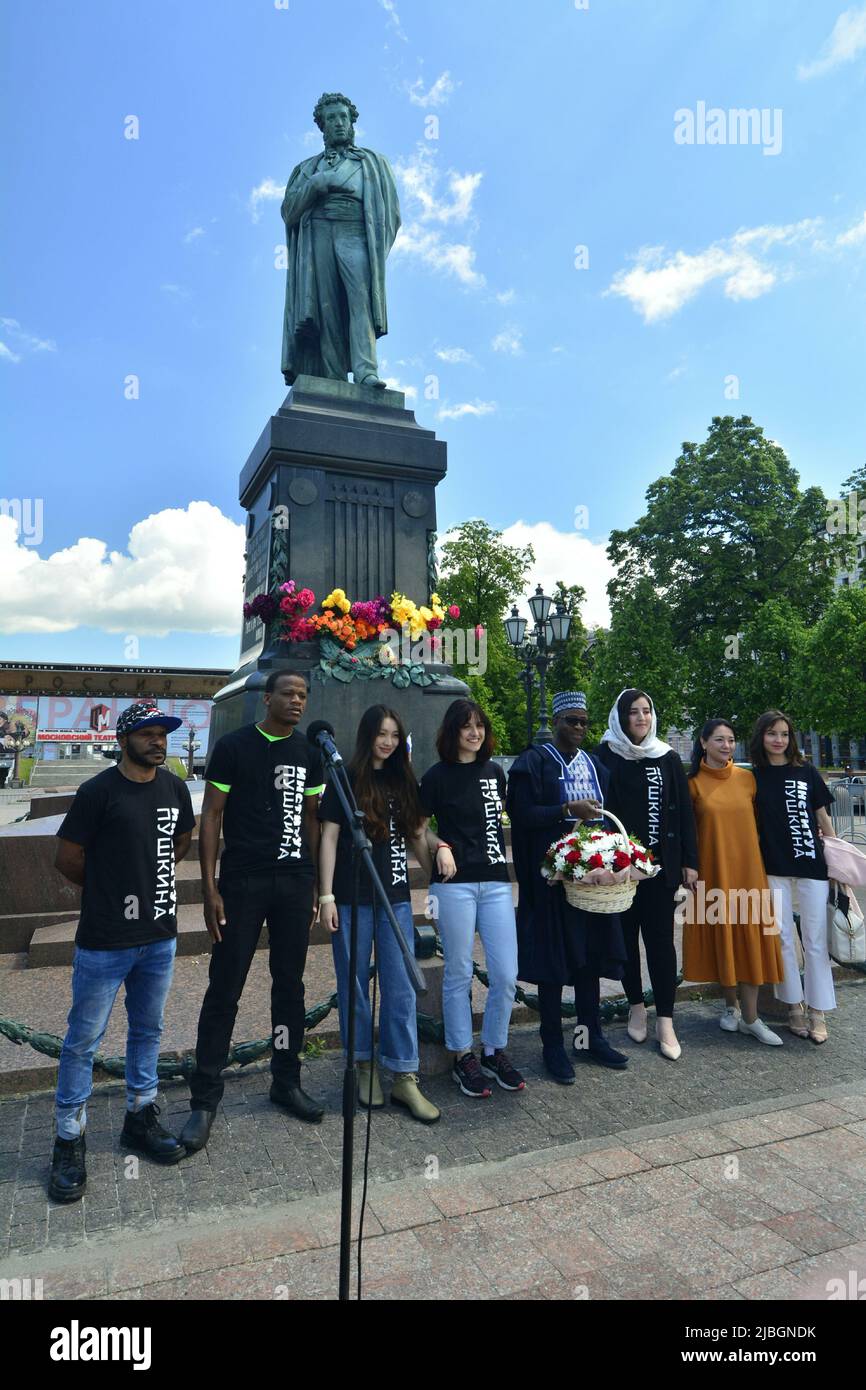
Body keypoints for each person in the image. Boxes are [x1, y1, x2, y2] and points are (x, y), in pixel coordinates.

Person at [50, 703, 195, 1202]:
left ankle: (140, 1115)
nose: (159, 741)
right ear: (124, 738)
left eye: (164, 734)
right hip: (105, 941)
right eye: (148, 734)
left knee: (148, 1029)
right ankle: (69, 1138)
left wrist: (144, 880)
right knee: (83, 1041)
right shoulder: (97, 792)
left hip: (159, 936)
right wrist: (110, 887)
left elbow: (181, 839)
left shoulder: (175, 787)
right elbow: (67, 858)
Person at [181, 671, 326, 1152]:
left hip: (292, 883)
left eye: (303, 695)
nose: (296, 702)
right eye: (288, 693)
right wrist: (210, 888)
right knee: (226, 986)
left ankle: (286, 1080)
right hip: (243, 881)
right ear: (266, 699)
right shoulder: (235, 746)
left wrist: (311, 885)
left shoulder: (309, 752)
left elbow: (309, 820)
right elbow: (213, 816)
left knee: (290, 988)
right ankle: (204, 1098)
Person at [318, 705, 439, 1123]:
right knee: (353, 985)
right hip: (351, 898)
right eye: (381, 734)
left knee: (401, 988)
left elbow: (418, 836)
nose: (387, 741)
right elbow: (329, 838)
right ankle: (364, 1065)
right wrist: (327, 896)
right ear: (367, 735)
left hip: (395, 898)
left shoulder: (404, 779)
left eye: (394, 734)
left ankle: (404, 1075)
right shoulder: (345, 778)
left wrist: (436, 872)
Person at [506, 691, 629, 1082]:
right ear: (556, 721)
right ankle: (552, 1046)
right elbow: (521, 814)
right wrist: (564, 811)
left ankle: (589, 1036)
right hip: (549, 885)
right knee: (553, 966)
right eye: (571, 721)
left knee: (590, 960)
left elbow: (608, 820)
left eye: (583, 722)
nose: (578, 728)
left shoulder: (596, 765)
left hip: (590, 883)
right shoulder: (534, 762)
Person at [419, 699, 524, 1098]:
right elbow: (416, 828)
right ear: (452, 732)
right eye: (466, 726)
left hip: (496, 882)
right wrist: (439, 843)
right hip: (454, 886)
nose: (474, 732)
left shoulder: (495, 772)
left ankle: (494, 1049)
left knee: (505, 974)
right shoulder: (436, 777)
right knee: (460, 972)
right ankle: (463, 1055)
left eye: (479, 725)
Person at [593, 689, 698, 1060]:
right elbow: (598, 812)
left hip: (662, 869)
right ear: (620, 718)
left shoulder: (666, 756)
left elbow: (684, 810)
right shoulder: (605, 755)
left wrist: (690, 860)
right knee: (626, 941)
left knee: (661, 944)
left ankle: (666, 1020)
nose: (641, 718)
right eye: (634, 712)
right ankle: (636, 1006)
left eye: (647, 711)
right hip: (622, 871)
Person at [281, 92, 400, 388]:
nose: (338, 123)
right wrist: (315, 186)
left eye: (342, 117)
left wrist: (375, 251)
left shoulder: (372, 163)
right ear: (322, 126)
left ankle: (366, 371)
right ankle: (332, 378)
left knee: (359, 300)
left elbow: (391, 214)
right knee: (326, 306)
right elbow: (289, 212)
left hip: (355, 231)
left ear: (352, 122)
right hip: (318, 231)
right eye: (331, 118)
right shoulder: (306, 169)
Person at [683, 720, 785, 1045]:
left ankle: (752, 1018)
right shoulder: (692, 784)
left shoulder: (747, 779)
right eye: (719, 739)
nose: (726, 745)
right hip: (713, 873)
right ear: (703, 742)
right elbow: (687, 834)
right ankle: (731, 1008)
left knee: (750, 938)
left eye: (730, 740)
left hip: (749, 872)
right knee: (722, 936)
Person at [750, 710, 837, 1044]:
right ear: (762, 737)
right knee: (783, 938)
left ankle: (818, 1011)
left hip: (811, 864)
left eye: (784, 734)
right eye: (772, 733)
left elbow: (822, 816)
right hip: (772, 866)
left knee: (815, 940)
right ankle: (794, 1007)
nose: (779, 740)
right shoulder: (754, 777)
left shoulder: (806, 771)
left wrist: (836, 859)